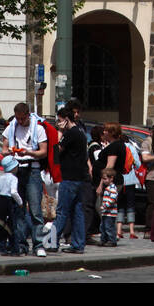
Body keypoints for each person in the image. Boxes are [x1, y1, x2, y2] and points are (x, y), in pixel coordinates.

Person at [3, 102, 47, 240]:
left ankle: (38, 244)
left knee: (35, 209)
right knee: (19, 208)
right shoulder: (11, 127)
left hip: (32, 169)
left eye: (22, 118)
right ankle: (20, 244)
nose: (20, 121)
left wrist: (29, 153)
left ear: (28, 115)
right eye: (18, 118)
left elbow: (43, 152)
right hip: (17, 169)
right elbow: (3, 149)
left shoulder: (38, 128)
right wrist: (10, 151)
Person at [52, 106, 88, 254]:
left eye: (60, 121)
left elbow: (56, 153)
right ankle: (78, 244)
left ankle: (52, 242)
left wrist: (60, 132)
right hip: (79, 178)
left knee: (62, 211)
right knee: (77, 212)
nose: (58, 124)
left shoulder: (70, 133)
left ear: (66, 120)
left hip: (69, 178)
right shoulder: (80, 132)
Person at [96, 169, 119, 246]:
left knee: (109, 227)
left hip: (110, 213)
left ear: (111, 178)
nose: (104, 181)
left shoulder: (112, 188)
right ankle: (103, 240)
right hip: (105, 213)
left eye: (105, 179)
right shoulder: (107, 188)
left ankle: (112, 240)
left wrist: (105, 206)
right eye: (103, 179)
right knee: (102, 227)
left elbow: (112, 199)